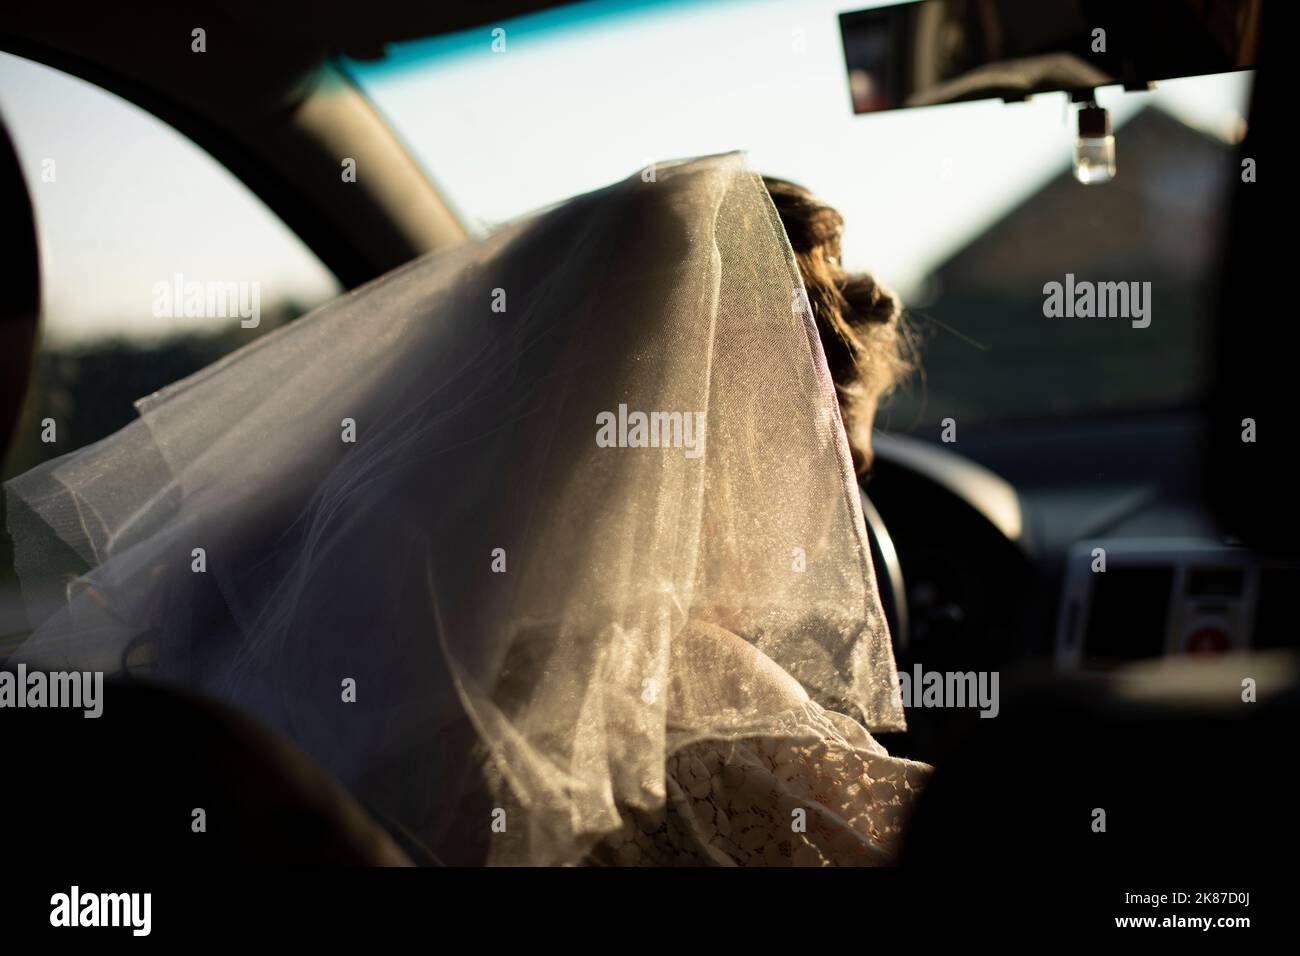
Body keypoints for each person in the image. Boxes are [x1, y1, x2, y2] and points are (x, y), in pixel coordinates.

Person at [5, 153, 927, 866]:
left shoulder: (260, 616)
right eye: (833, 482)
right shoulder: (701, 721)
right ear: (742, 459)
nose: (831, 540)